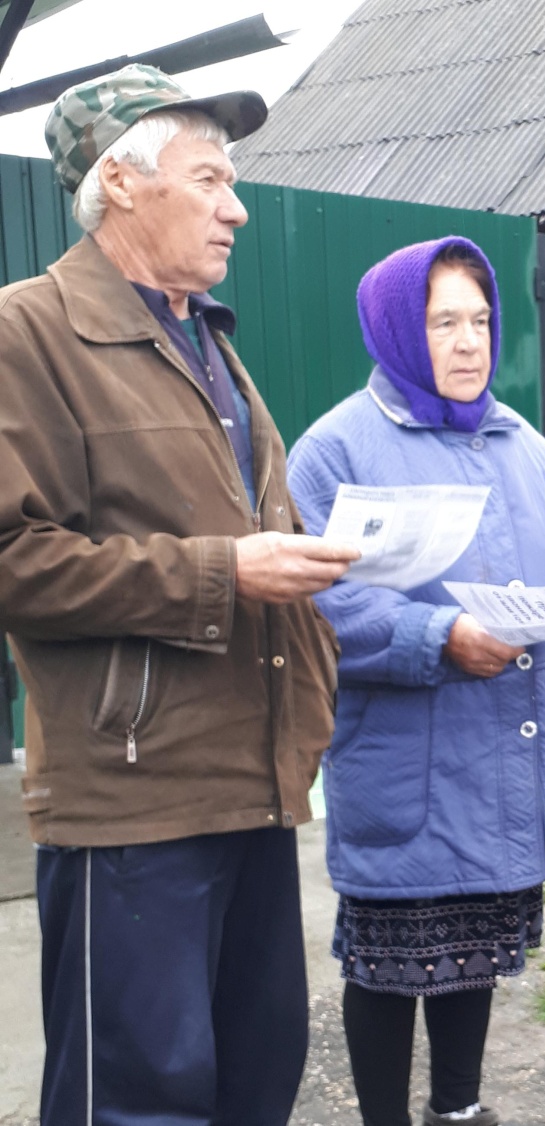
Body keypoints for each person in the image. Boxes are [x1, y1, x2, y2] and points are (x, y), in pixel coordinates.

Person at [0, 65, 359, 1123]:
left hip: (253, 781)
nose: (236, 207)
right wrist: (225, 569)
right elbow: (15, 559)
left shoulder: (206, 339)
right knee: (139, 1098)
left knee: (255, 1081)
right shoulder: (27, 332)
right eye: (210, 179)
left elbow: (253, 532)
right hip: (132, 799)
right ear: (120, 182)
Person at [287, 236, 545, 1126]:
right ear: (396, 331)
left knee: (473, 951)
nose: (469, 343)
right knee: (390, 966)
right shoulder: (334, 453)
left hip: (505, 750)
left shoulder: (526, 450)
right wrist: (438, 637)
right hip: (406, 759)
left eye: (479, 321)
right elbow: (316, 605)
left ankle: (460, 1109)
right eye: (443, 323)